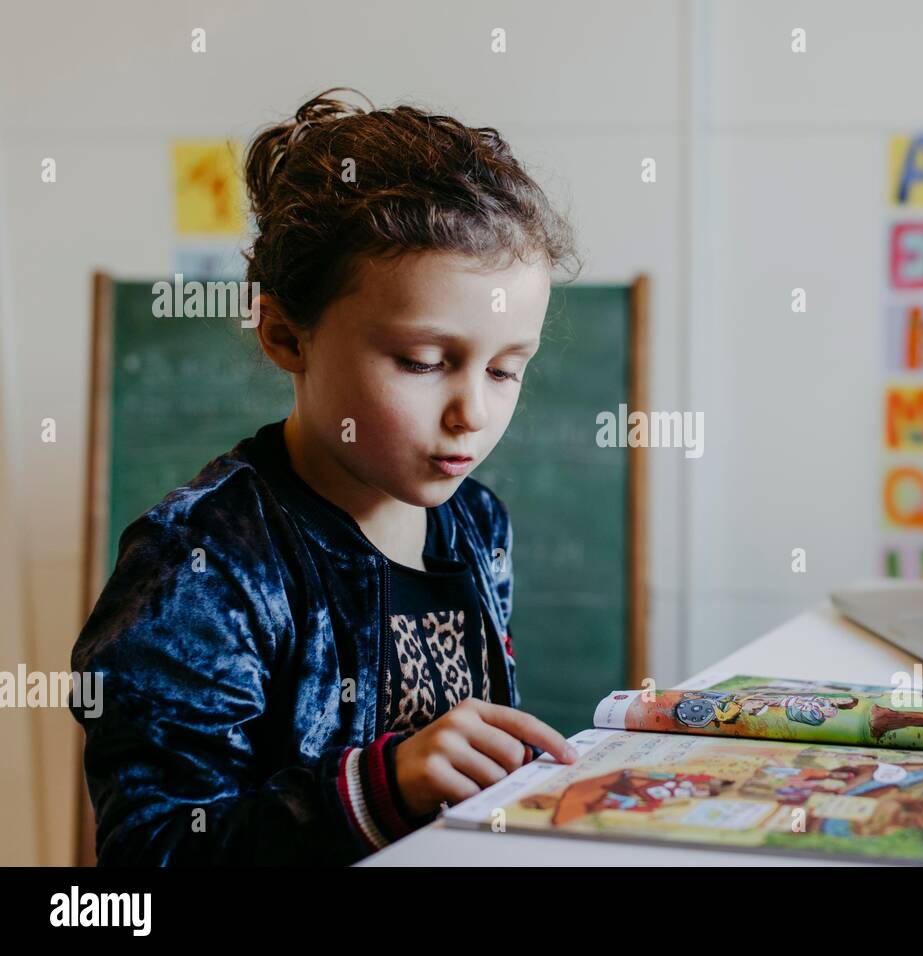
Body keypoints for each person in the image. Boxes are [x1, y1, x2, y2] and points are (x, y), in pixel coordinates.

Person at [70, 89, 584, 864]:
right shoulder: (204, 567)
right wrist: (379, 792)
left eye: (508, 370)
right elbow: (153, 853)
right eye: (422, 362)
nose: (471, 413)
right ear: (283, 333)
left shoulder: (478, 524)